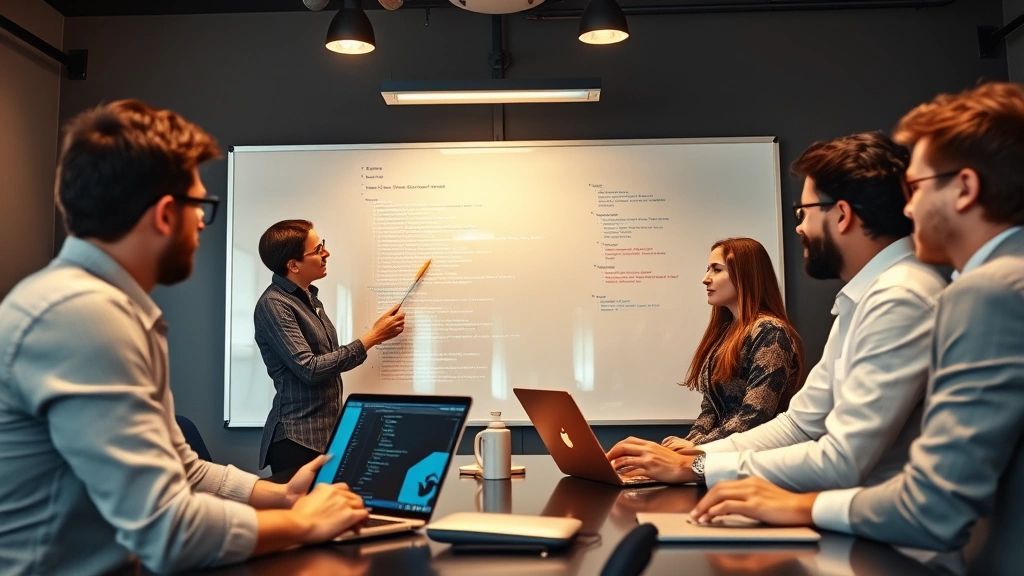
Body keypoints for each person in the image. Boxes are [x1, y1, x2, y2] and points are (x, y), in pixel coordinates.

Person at [0, 100, 370, 574]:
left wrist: (281, 495)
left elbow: (184, 469)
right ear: (164, 214)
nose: (201, 223)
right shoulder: (81, 317)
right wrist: (304, 523)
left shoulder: (107, 308)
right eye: (201, 206)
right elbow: (167, 532)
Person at [689, 82, 1024, 576]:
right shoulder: (960, 285)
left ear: (966, 188)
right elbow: (806, 423)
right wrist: (699, 462)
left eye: (919, 188)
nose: (907, 209)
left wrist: (792, 505)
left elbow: (930, 505)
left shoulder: (974, 291)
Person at [607, 131, 947, 494]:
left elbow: (843, 461)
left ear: (843, 215)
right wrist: (690, 459)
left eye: (804, 212)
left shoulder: (899, 298)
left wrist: (698, 464)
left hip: (881, 532)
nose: (799, 226)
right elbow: (799, 426)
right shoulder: (865, 299)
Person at [254, 220, 406, 476]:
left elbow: (324, 361)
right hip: (297, 441)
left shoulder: (310, 299)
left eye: (321, 245)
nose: (326, 253)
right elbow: (310, 369)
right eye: (317, 250)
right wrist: (372, 337)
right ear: (292, 265)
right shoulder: (274, 304)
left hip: (324, 437)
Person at [661, 237, 804, 449]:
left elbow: (756, 414)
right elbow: (711, 409)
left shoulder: (771, 332)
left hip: (753, 459)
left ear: (745, 275)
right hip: (719, 454)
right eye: (708, 269)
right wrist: (687, 444)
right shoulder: (726, 332)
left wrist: (696, 448)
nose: (705, 278)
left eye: (716, 270)